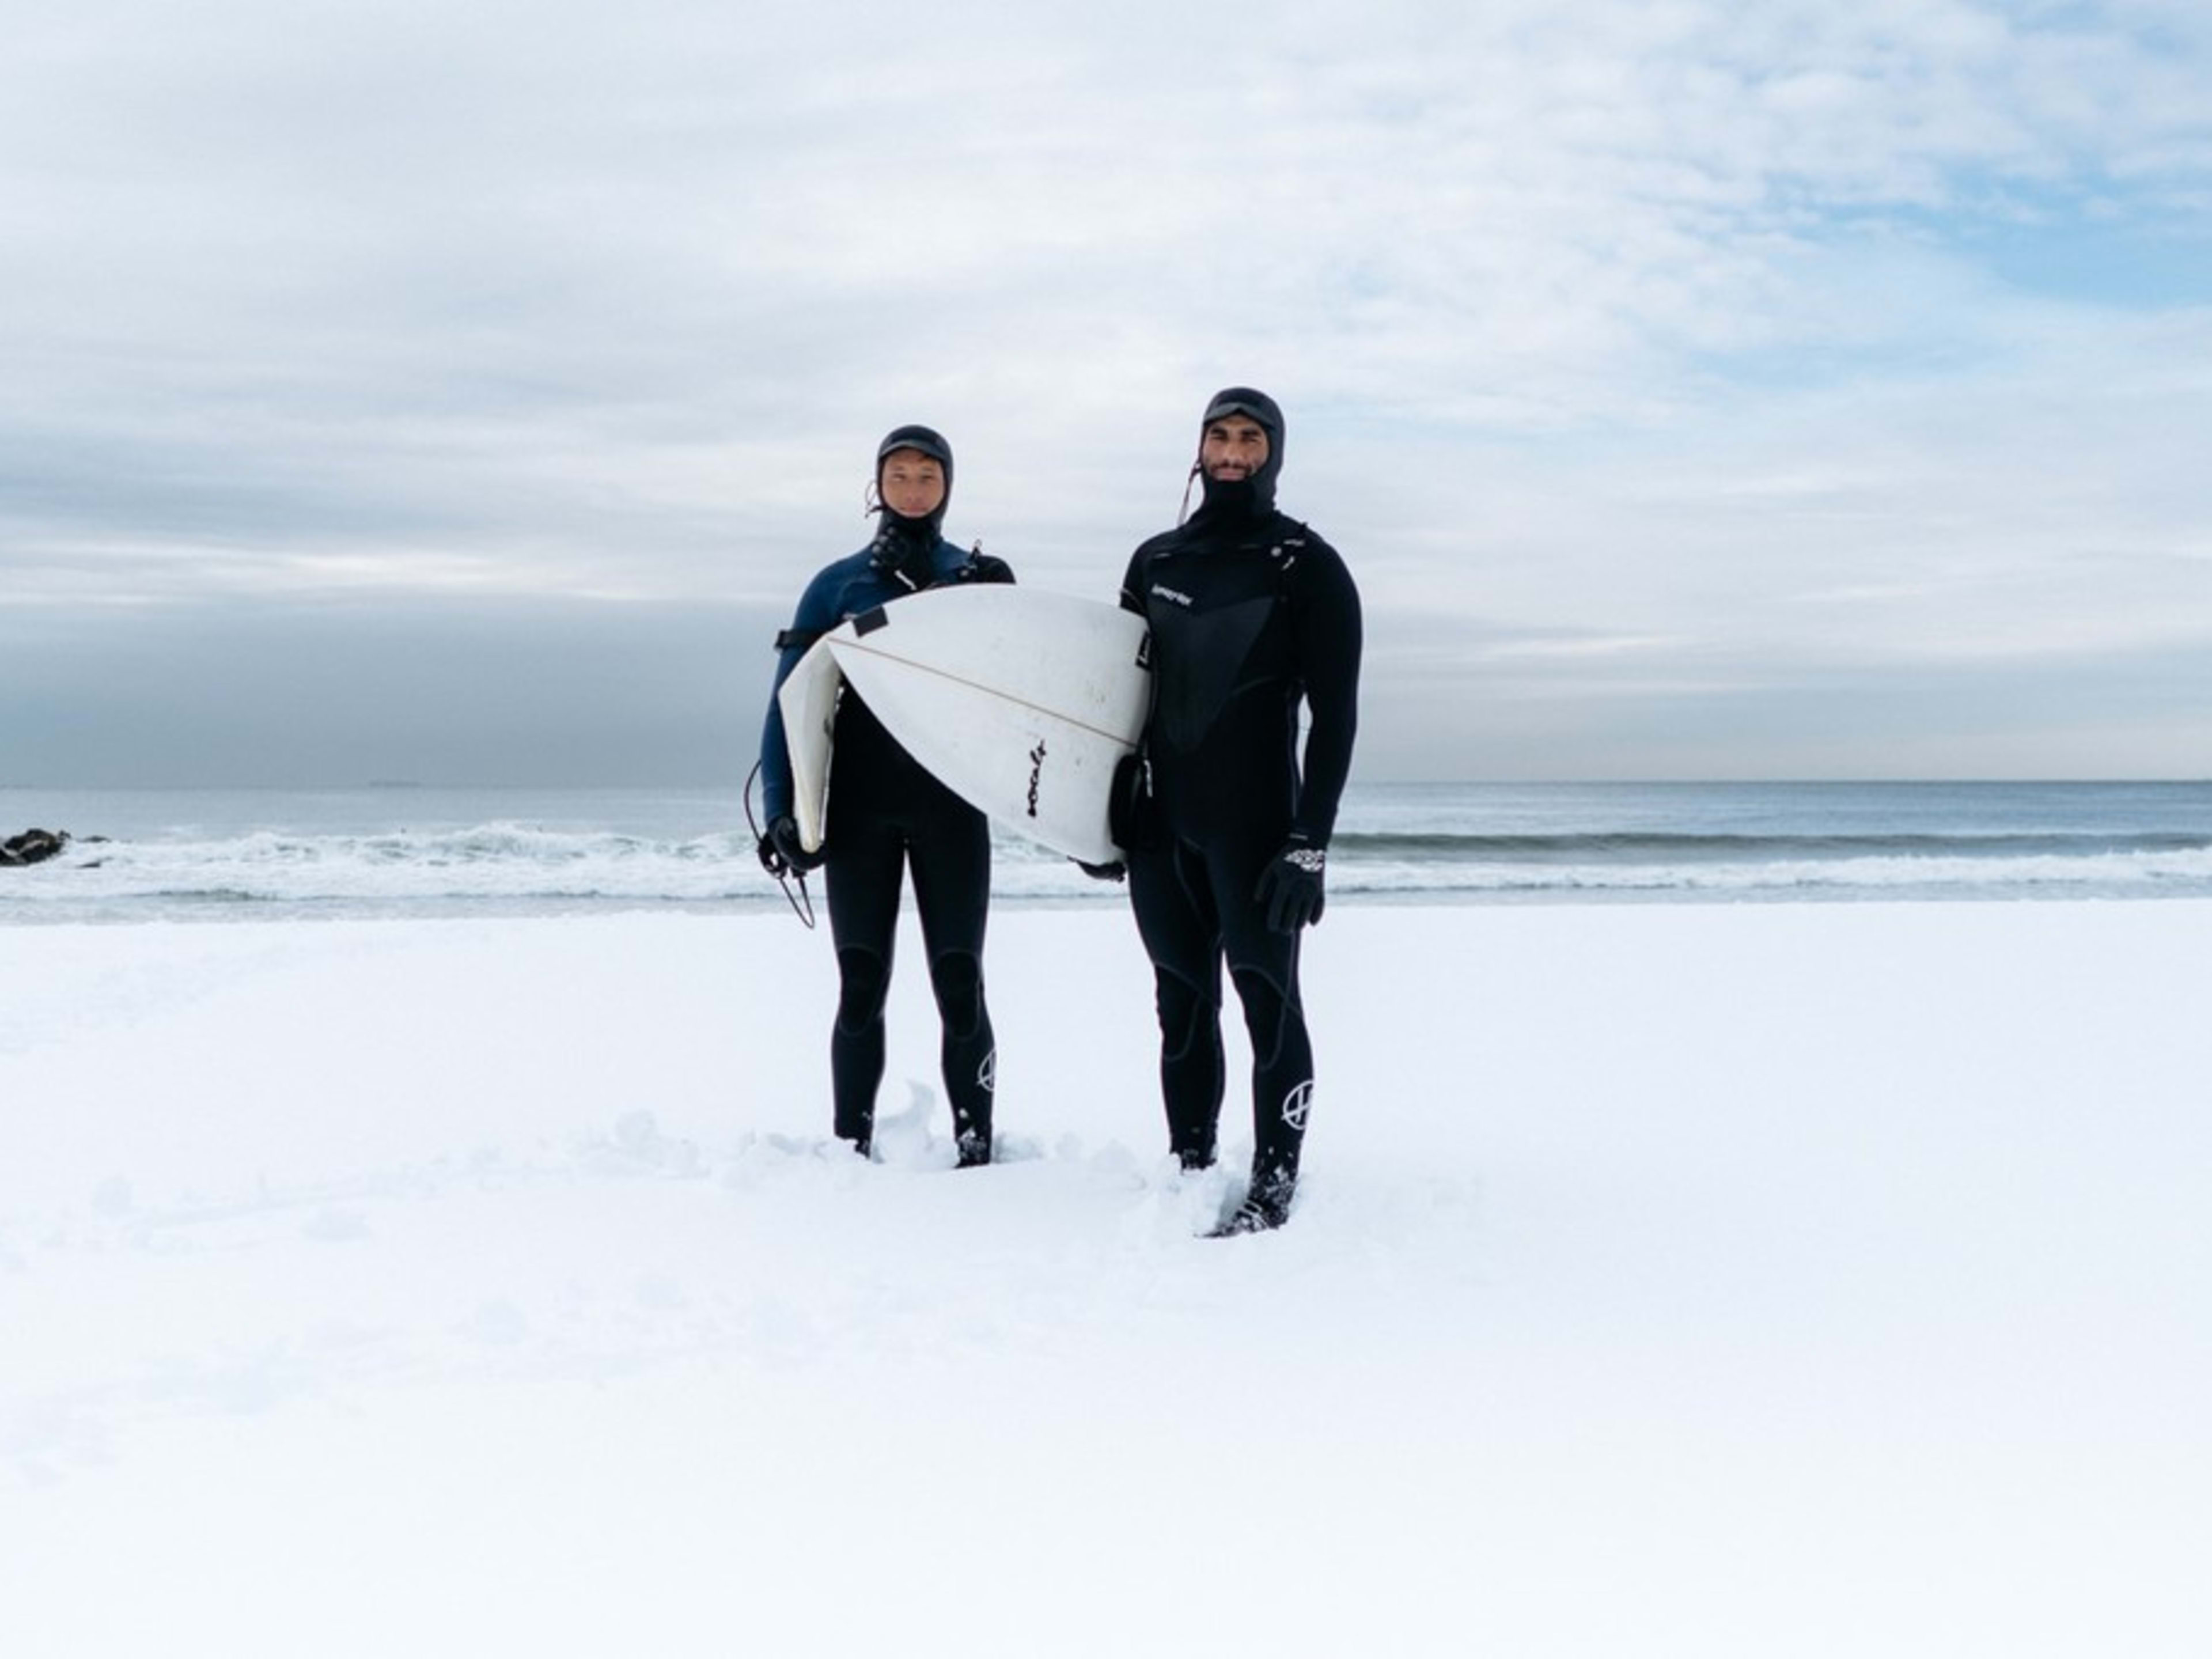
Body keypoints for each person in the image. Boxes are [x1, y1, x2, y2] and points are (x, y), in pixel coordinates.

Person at [1111, 388, 1361, 1234]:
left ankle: (1275, 1184)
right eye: (1219, 435)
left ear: (1273, 451)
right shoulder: (1156, 562)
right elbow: (1112, 700)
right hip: (1161, 826)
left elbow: (1336, 716)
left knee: (1268, 998)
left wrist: (1309, 845)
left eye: (1249, 438)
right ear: (1199, 447)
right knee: (1179, 1001)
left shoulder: (1305, 562)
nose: (1231, 451)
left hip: (1257, 826)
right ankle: (1190, 1167)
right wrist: (1097, 815)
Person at [756, 426, 1013, 1166]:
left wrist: (1002, 596)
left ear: (948, 488)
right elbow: (788, 704)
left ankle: (976, 1146)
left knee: (960, 980)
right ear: (878, 486)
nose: (912, 491)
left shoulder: (975, 576)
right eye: (899, 476)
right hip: (861, 809)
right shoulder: (837, 585)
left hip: (952, 807)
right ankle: (850, 1147)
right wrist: (784, 808)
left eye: (927, 478)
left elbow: (1024, 693)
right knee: (861, 982)